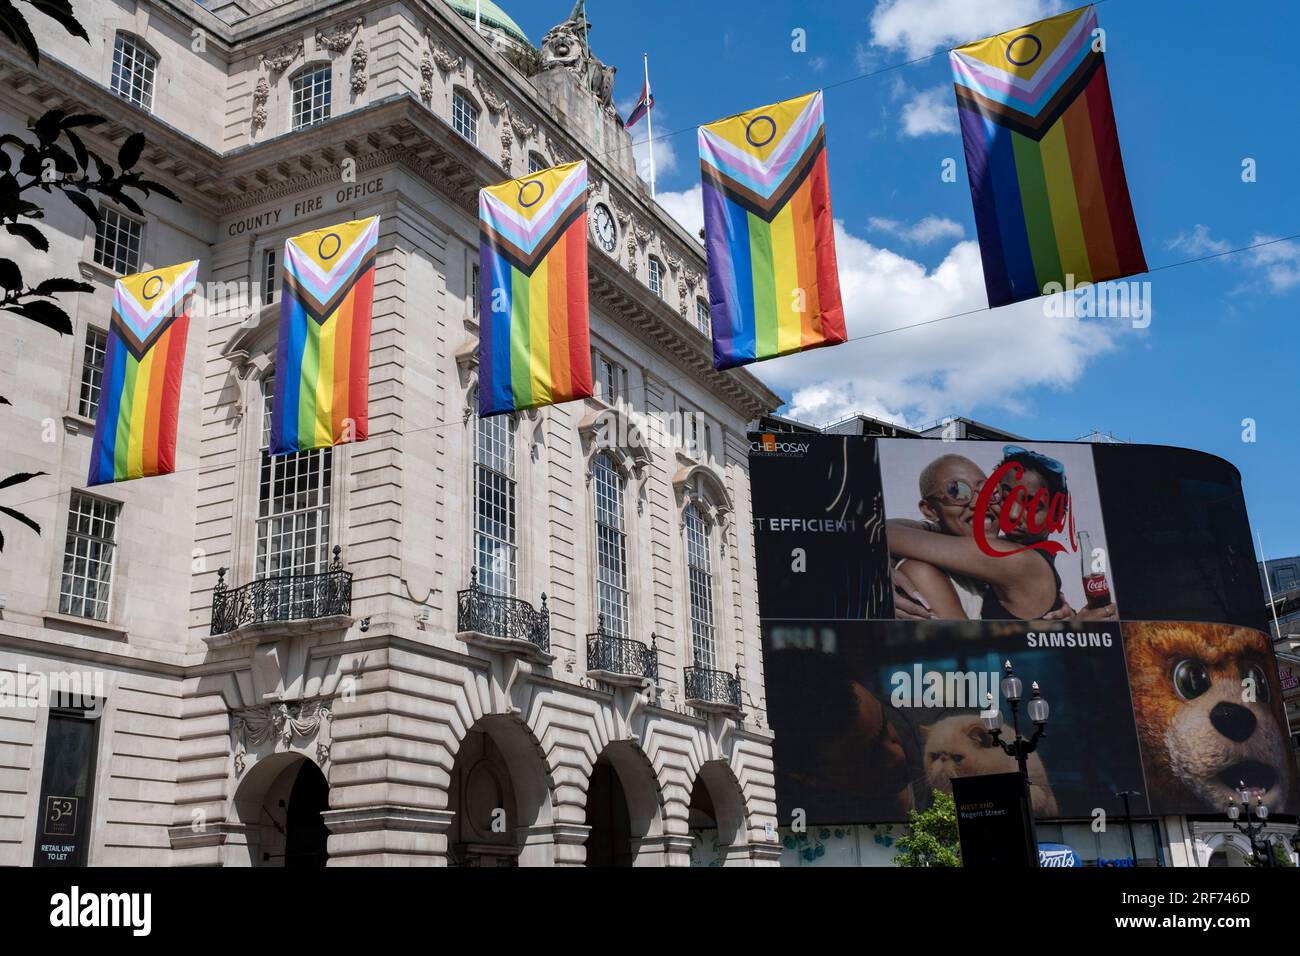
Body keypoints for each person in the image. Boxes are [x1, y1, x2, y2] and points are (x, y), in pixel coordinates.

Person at [891, 446, 1117, 621]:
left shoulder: (1020, 562)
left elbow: (888, 533)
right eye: (1005, 496)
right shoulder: (984, 558)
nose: (1014, 513)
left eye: (1034, 505)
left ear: (1056, 518)